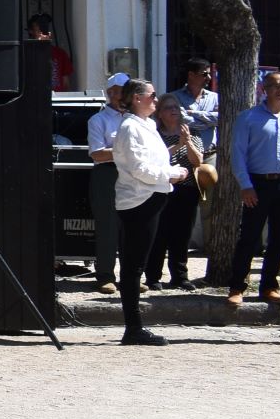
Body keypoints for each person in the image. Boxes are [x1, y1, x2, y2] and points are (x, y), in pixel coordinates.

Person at [109, 78, 186, 345]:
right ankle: (133, 328)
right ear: (137, 98)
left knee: (136, 264)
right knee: (133, 266)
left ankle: (135, 326)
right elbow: (140, 169)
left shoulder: (147, 125)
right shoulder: (131, 127)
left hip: (152, 197)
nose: (156, 99)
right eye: (152, 95)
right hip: (138, 201)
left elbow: (153, 160)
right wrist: (173, 173)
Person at [225, 70, 280, 309]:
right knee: (249, 237)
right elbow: (237, 154)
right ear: (264, 89)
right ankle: (237, 287)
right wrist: (245, 185)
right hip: (258, 183)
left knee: (279, 238)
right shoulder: (248, 118)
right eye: (275, 86)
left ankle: (269, 286)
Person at [143, 95, 205, 292]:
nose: (174, 111)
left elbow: (197, 161)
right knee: (158, 235)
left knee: (182, 235)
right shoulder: (154, 134)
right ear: (159, 113)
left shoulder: (191, 132)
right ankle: (153, 277)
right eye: (168, 107)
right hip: (161, 190)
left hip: (186, 190)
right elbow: (155, 159)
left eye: (176, 107)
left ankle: (180, 276)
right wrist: (177, 145)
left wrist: (187, 142)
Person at [85, 71, 129, 294]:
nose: (125, 97)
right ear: (111, 94)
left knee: (130, 227)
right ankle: (105, 275)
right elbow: (97, 154)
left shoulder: (135, 119)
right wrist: (125, 152)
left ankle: (130, 277)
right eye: (122, 92)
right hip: (107, 175)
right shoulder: (98, 120)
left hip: (131, 175)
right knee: (108, 227)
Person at [176, 58, 220, 149]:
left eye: (209, 74)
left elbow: (220, 118)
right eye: (205, 74)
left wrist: (194, 113)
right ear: (191, 75)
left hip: (210, 153)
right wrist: (209, 123)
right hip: (185, 155)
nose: (209, 78)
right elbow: (184, 120)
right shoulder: (175, 97)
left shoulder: (215, 97)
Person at [26, 14, 74, 92]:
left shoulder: (60, 53)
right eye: (38, 26)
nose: (42, 29)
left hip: (56, 99)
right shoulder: (27, 52)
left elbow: (66, 83)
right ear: (31, 30)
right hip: (35, 98)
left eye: (45, 26)